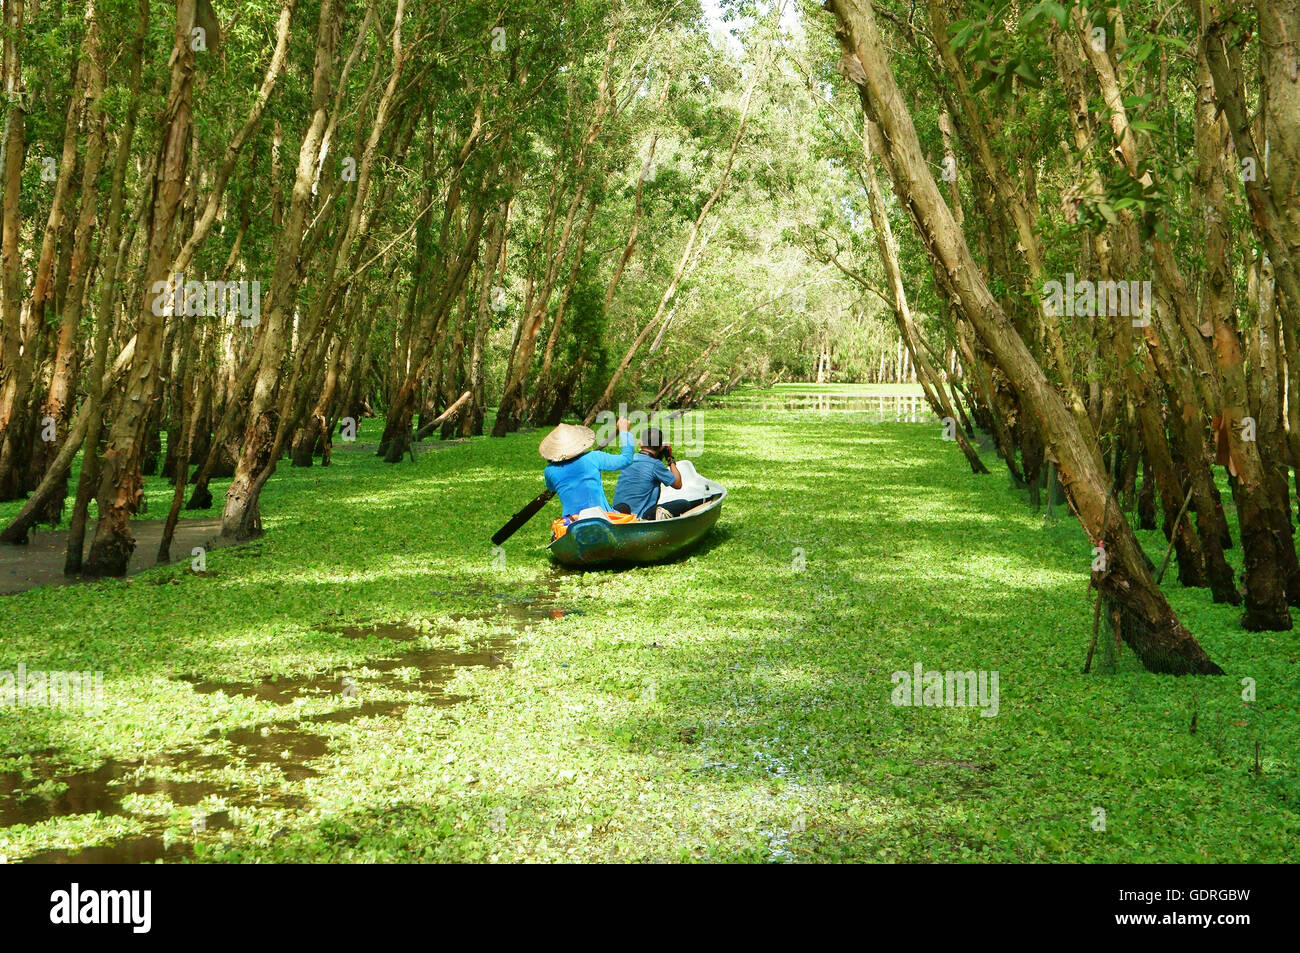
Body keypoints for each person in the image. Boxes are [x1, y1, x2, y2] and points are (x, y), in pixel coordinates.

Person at [539, 418, 634, 520]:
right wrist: (624, 431)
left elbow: (551, 487)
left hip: (572, 520)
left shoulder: (550, 471)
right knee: (624, 507)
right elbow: (626, 459)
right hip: (602, 517)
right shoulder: (593, 457)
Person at [612, 427, 699, 520]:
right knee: (684, 503)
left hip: (618, 513)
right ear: (661, 447)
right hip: (639, 517)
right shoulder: (656, 465)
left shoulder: (629, 460)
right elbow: (678, 484)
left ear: (640, 443)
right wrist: (670, 459)